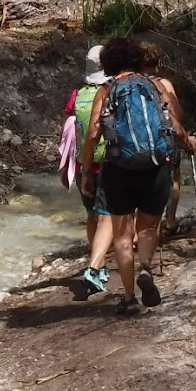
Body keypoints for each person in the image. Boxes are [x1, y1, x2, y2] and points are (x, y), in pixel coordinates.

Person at [78, 37, 196, 314]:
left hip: (118, 169)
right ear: (136, 60)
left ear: (108, 64)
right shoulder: (154, 86)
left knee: (122, 235)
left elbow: (94, 133)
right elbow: (174, 124)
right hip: (155, 166)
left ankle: (130, 297)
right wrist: (187, 142)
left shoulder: (107, 90)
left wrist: (86, 171)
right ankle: (145, 267)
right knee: (147, 228)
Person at [59, 45, 114, 292]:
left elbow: (69, 128)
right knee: (108, 215)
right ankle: (98, 265)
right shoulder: (112, 91)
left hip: (85, 163)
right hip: (111, 162)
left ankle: (99, 265)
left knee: (92, 215)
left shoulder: (77, 95)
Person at [140, 40, 185, 240]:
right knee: (174, 179)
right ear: (158, 63)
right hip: (164, 141)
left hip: (141, 143)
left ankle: (142, 229)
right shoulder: (163, 84)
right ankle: (170, 221)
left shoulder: (129, 84)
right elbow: (176, 112)